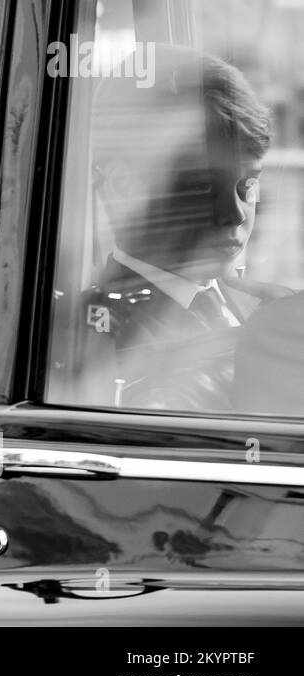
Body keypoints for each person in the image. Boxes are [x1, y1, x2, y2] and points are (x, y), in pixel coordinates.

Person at [80, 44, 289, 409]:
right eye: (202, 186)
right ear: (122, 187)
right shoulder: (89, 341)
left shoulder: (280, 309)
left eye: (247, 187)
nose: (236, 214)